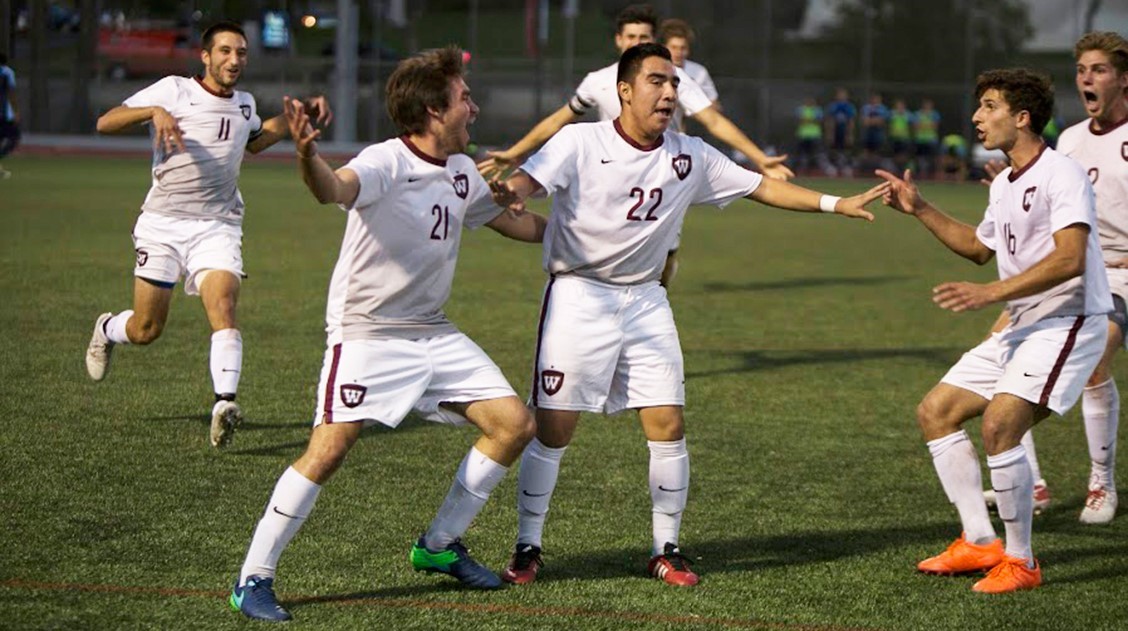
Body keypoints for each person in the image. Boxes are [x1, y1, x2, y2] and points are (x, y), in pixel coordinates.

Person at [489, 43, 887, 588]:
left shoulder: (690, 154)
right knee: (555, 431)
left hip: (647, 301)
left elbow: (761, 186)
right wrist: (508, 193)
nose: (670, 93)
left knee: (668, 426)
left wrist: (834, 203)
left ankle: (666, 549)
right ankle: (528, 547)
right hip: (578, 297)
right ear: (624, 91)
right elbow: (525, 183)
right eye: (657, 81)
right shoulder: (581, 141)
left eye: (674, 83)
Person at [228, 46, 546, 622]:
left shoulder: (462, 170)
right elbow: (333, 188)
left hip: (433, 332)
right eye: (464, 98)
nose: (474, 107)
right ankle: (254, 576)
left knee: (514, 424)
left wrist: (586, 233)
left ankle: (439, 545)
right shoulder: (384, 161)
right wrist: (307, 154)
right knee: (329, 448)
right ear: (433, 110)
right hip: (368, 333)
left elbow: (515, 223)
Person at [878, 68, 1112, 593]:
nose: (977, 117)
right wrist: (920, 209)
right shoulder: (1006, 182)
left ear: (1022, 117)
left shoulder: (1061, 173)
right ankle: (980, 540)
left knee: (1001, 425)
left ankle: (1022, 561)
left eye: (989, 107)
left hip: (1068, 322)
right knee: (936, 411)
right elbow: (980, 248)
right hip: (1024, 325)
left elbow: (1071, 258)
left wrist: (991, 294)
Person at [84, 22, 333, 449]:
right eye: (225, 51)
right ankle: (107, 328)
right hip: (163, 225)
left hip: (217, 225)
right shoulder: (174, 90)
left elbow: (255, 141)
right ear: (206, 56)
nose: (234, 60)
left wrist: (302, 113)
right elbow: (105, 122)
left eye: (241, 53)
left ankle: (224, 404)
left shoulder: (244, 104)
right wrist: (153, 111)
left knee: (224, 307)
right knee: (146, 329)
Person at [478, 4, 792, 289]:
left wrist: (759, 158)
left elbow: (712, 120)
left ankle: (646, 300)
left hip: (664, 178)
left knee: (660, 261)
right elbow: (559, 119)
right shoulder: (598, 80)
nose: (636, 42)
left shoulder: (674, 77)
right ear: (619, 40)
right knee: (600, 254)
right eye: (630, 36)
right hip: (607, 180)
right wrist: (516, 152)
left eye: (643, 36)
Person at [981, 32, 1128, 525]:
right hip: (1073, 269)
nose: (1087, 78)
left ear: (1123, 80)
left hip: (1120, 276)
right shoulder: (1070, 140)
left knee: (1096, 358)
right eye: (1082, 69)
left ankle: (1101, 484)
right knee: (1001, 350)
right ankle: (1033, 485)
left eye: (1099, 70)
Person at [658, 17, 720, 131]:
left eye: (683, 48)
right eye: (674, 47)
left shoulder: (699, 72)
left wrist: (692, 103)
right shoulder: (655, 69)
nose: (678, 53)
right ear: (664, 47)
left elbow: (715, 107)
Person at [824, 87, 856, 177]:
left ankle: (846, 168)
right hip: (835, 131)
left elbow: (851, 121)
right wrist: (829, 133)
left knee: (846, 150)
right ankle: (833, 168)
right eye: (840, 95)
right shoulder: (833, 106)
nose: (841, 96)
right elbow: (829, 120)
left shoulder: (849, 106)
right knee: (833, 150)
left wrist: (850, 134)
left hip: (844, 131)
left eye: (843, 95)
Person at [0, 52, 20, 179]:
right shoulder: (7, 72)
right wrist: (16, 111)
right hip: (3, 114)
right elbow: (11, 92)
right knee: (14, 137)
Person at [859, 92, 890, 170]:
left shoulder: (883, 109)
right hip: (868, 134)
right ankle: (865, 168)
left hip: (878, 134)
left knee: (877, 152)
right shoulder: (866, 108)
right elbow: (865, 122)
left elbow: (881, 121)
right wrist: (875, 121)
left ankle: (876, 168)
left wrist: (871, 121)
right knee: (866, 152)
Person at [794, 96, 824, 175]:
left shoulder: (818, 110)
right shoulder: (800, 110)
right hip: (803, 135)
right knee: (801, 154)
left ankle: (814, 171)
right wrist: (811, 120)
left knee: (814, 154)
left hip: (815, 135)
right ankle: (800, 171)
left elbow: (819, 121)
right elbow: (799, 121)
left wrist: (807, 120)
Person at [913, 99, 941, 179]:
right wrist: (928, 125)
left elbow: (935, 126)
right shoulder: (918, 114)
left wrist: (922, 125)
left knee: (932, 158)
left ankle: (933, 174)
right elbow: (916, 126)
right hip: (920, 140)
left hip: (931, 140)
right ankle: (921, 174)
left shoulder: (935, 114)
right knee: (920, 158)